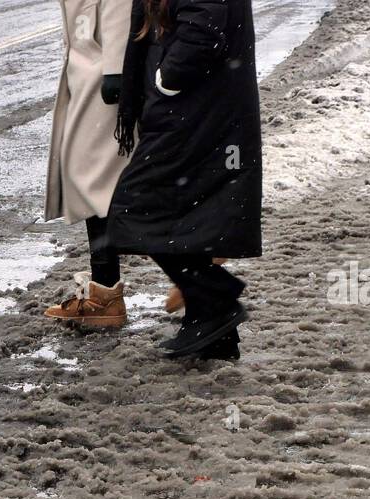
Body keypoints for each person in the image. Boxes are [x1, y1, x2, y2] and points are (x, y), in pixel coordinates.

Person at [108, 0, 262, 360]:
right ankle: (215, 334)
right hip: (199, 110)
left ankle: (214, 297)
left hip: (193, 111)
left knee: (137, 206)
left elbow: (203, 25)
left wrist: (167, 79)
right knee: (193, 215)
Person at [43, 0, 135, 328]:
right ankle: (105, 290)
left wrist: (115, 67)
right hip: (88, 73)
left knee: (96, 183)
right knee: (95, 183)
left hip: (101, 77)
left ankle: (106, 295)